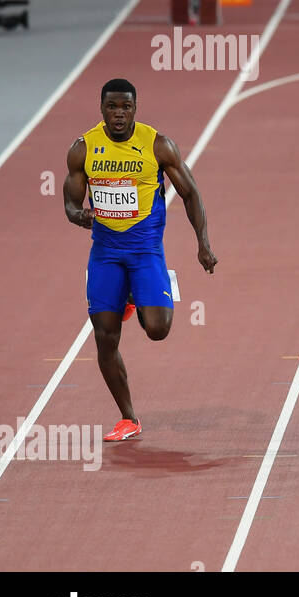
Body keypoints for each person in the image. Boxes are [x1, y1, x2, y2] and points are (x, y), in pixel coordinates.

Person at [63, 78, 217, 441]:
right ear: (102, 109)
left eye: (126, 107)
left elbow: (191, 194)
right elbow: (70, 201)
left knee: (158, 330)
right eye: (112, 107)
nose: (119, 114)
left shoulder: (158, 145)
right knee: (104, 337)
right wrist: (77, 215)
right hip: (104, 253)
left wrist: (203, 244)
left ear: (136, 109)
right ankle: (128, 417)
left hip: (146, 251)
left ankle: (136, 295)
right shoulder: (83, 149)